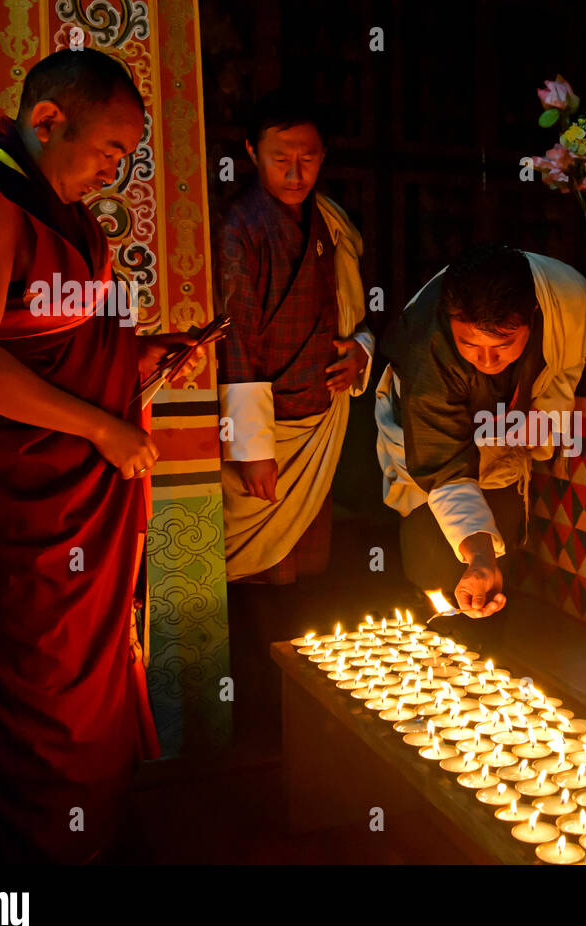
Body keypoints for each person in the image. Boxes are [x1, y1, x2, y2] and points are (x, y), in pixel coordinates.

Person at [0, 48, 203, 863]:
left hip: (70, 500)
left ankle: (86, 839)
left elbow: (55, 347)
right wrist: (103, 427)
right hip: (5, 509)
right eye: (109, 147)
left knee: (80, 693)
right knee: (20, 700)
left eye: (127, 153)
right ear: (45, 120)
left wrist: (137, 362)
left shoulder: (65, 215)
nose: (117, 168)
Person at [216, 90, 372, 745]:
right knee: (257, 577)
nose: (295, 172)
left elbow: (360, 314)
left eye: (308, 157)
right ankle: (257, 721)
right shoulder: (241, 227)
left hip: (319, 422)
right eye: (281, 157)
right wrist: (251, 446)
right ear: (252, 155)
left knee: (307, 576)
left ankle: (302, 717)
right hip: (269, 434)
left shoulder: (329, 222)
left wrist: (360, 354)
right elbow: (235, 339)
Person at [375, 244, 586, 618]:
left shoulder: (570, 302)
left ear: (532, 315)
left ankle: (488, 645)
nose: (486, 360)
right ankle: (435, 632)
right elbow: (444, 468)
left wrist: (485, 562)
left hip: (508, 436)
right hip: (428, 448)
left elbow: (576, 360)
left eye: (503, 346)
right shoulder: (429, 349)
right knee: (433, 553)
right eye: (469, 345)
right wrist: (479, 556)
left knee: (501, 533)